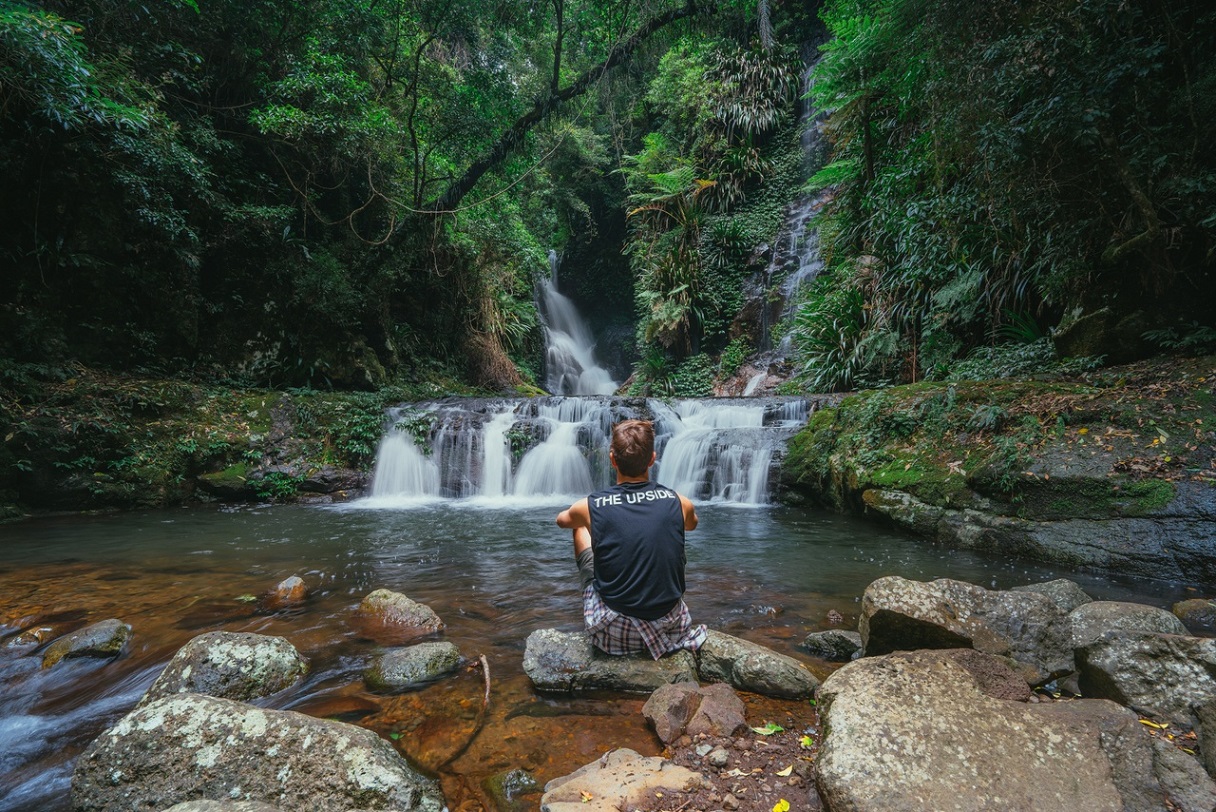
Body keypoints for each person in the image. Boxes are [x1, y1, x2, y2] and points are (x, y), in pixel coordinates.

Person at [555, 419, 707, 660]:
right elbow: (692, 525)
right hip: (671, 626)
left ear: (612, 459)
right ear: (652, 459)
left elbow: (561, 520)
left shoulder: (591, 505)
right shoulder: (679, 501)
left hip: (614, 632)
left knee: (580, 527)